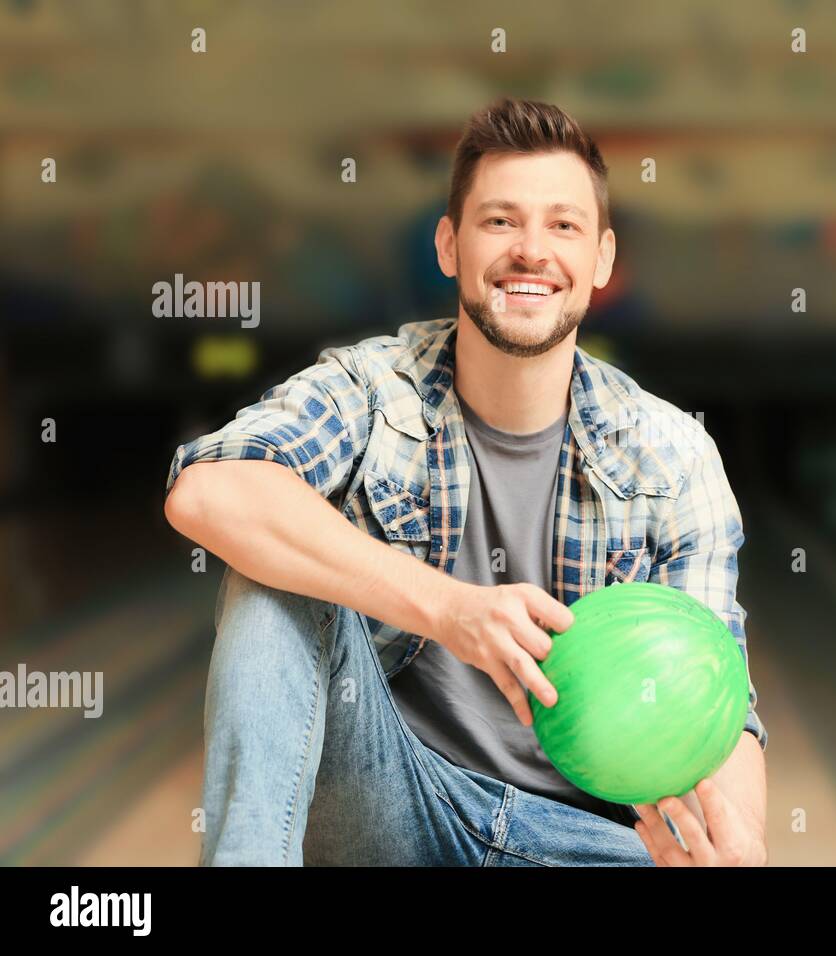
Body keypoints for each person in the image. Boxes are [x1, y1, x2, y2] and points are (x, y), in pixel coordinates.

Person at [163, 97, 768, 866]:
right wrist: (452, 610)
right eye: (500, 221)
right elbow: (210, 491)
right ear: (449, 245)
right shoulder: (374, 387)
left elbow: (722, 699)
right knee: (273, 569)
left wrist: (738, 841)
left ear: (603, 261)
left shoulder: (673, 454)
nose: (531, 250)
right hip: (393, 801)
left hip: (586, 840)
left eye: (563, 225)